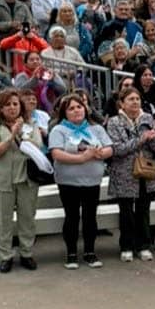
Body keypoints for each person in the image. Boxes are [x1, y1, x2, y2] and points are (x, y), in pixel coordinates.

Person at [48, 94, 113, 269]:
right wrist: (82, 158)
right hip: (68, 181)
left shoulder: (96, 129)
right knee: (72, 216)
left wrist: (101, 153)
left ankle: (90, 252)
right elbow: (56, 153)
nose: (76, 110)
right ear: (65, 113)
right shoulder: (59, 130)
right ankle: (71, 253)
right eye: (71, 108)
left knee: (90, 216)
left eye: (79, 107)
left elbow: (109, 148)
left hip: (92, 180)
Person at [0, 88, 43, 272]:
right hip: (2, 180)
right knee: (3, 220)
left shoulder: (31, 123)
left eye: (15, 104)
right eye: (7, 104)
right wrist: (11, 136)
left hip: (26, 178)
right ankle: (6, 256)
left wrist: (21, 134)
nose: (12, 108)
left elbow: (38, 145)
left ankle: (26, 253)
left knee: (27, 218)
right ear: (0, 109)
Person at [106, 86, 155, 262]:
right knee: (126, 212)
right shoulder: (114, 122)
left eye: (137, 99)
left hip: (146, 171)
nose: (135, 102)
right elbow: (118, 149)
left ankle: (144, 245)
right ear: (121, 103)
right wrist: (141, 139)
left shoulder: (147, 118)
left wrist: (153, 139)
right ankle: (126, 246)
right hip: (124, 172)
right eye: (130, 99)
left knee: (143, 210)